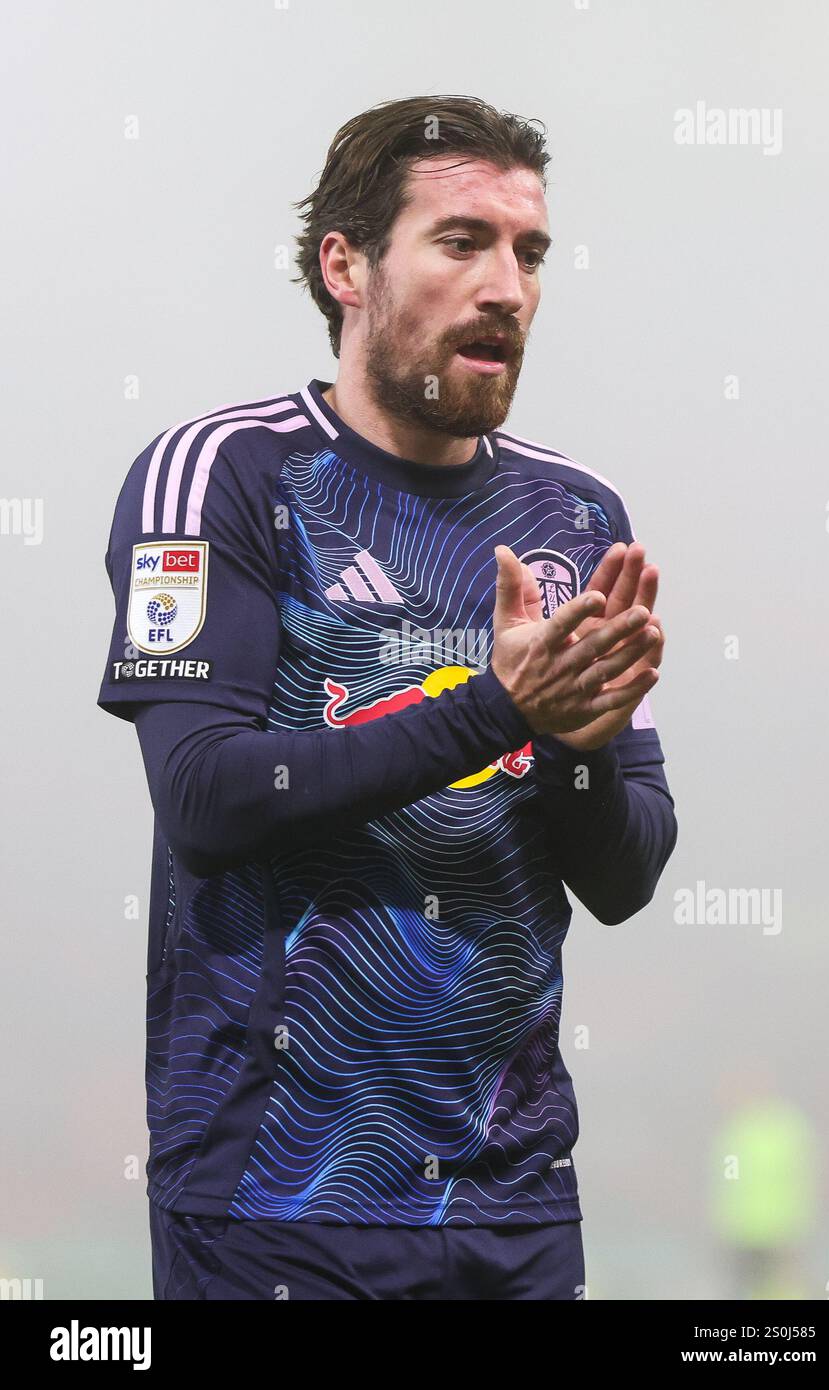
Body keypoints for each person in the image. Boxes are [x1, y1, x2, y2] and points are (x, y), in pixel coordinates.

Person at [97, 94, 677, 1300]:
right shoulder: (224, 473)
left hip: (515, 1198)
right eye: (461, 241)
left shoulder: (577, 518)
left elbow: (622, 876)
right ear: (344, 265)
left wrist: (571, 747)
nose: (507, 286)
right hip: (272, 1199)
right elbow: (204, 796)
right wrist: (498, 710)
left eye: (528, 252)